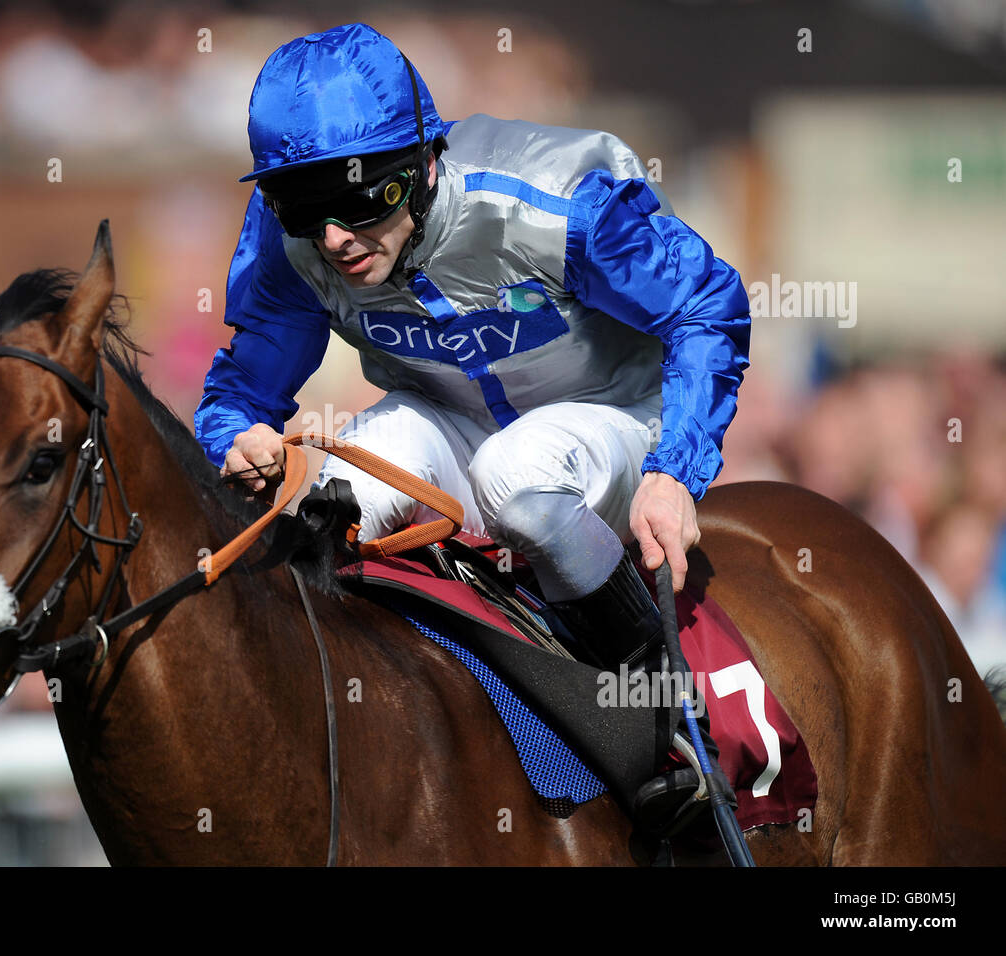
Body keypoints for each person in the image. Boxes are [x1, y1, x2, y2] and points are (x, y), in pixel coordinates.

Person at [194, 23, 751, 835]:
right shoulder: (300, 241)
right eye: (301, 205)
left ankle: (660, 725)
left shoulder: (561, 202)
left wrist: (677, 469)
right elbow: (240, 393)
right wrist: (235, 437)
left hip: (620, 418)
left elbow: (707, 304)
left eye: (363, 199)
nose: (334, 239)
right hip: (451, 427)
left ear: (424, 162)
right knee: (327, 493)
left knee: (515, 478)